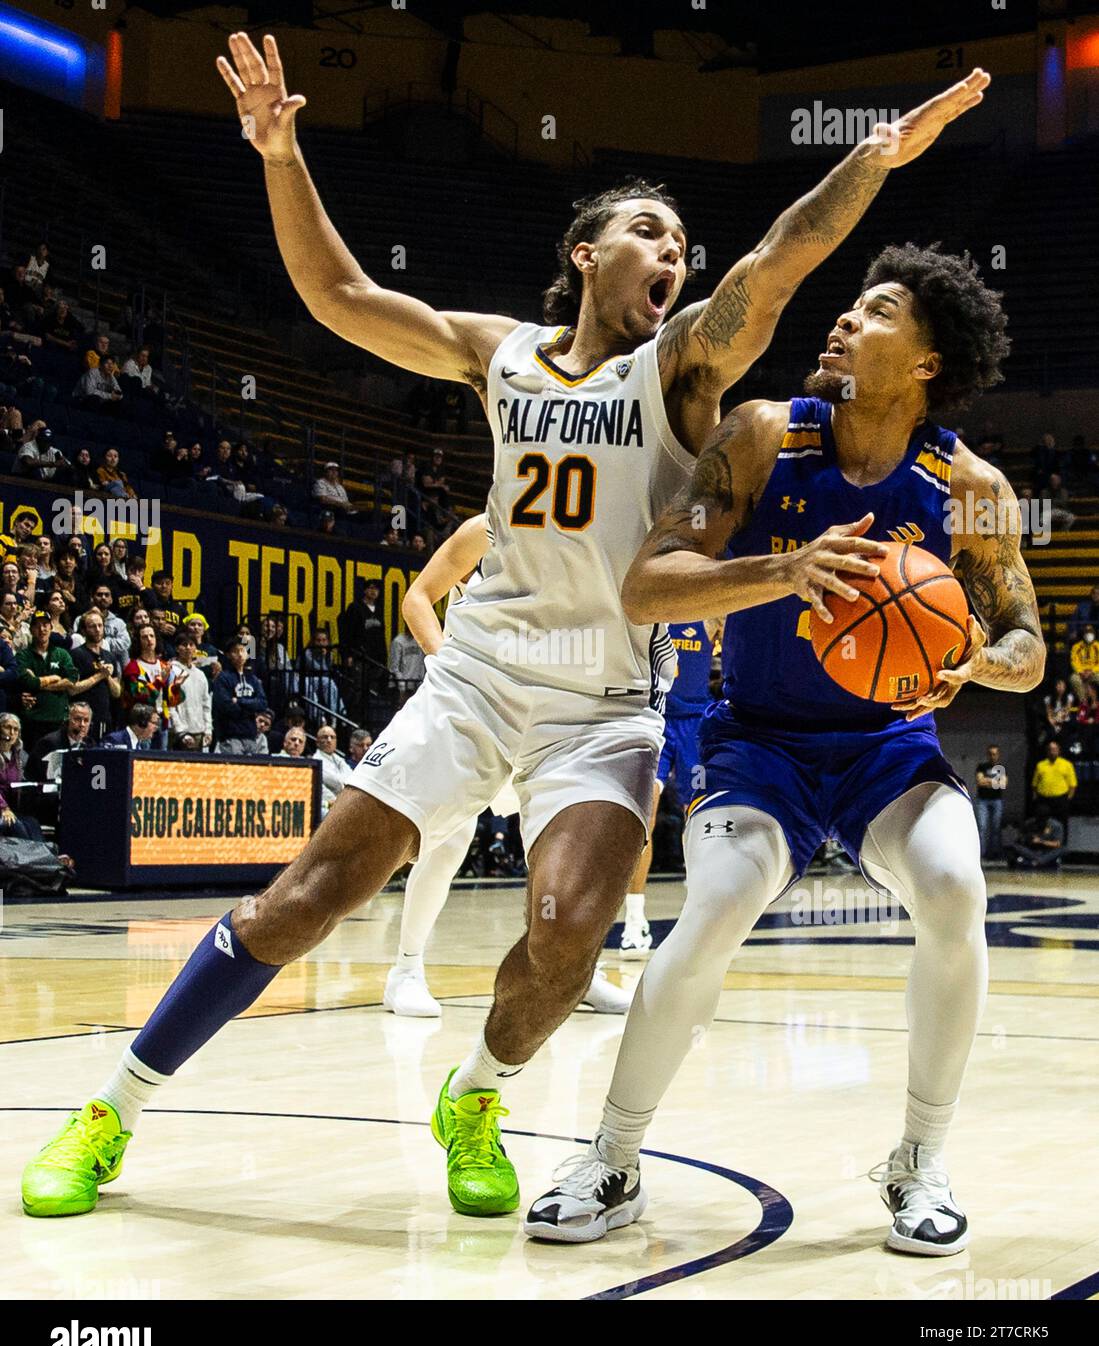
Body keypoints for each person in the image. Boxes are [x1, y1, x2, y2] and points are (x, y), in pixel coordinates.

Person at [20, 34, 990, 1222]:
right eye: (648, 233)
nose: (674, 256)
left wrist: (877, 157)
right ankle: (112, 1108)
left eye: (682, 246)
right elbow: (340, 297)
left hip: (602, 705)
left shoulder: (683, 373)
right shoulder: (500, 353)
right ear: (585, 254)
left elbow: (779, 262)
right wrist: (279, 151)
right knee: (304, 901)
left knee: (572, 929)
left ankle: (475, 1093)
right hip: (477, 676)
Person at [524, 239, 1044, 1255]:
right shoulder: (762, 436)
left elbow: (1026, 646)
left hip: (887, 749)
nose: (845, 318)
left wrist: (974, 662)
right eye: (850, 304)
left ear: (927, 362)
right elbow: (646, 585)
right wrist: (783, 567)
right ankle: (614, 1157)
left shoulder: (969, 487)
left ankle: (918, 1161)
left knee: (952, 887)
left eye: (879, 310)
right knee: (714, 908)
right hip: (757, 741)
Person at [386, 513, 629, 1019]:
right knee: (447, 843)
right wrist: (444, 659)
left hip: (546, 710)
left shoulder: (581, 536)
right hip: (474, 705)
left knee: (569, 847)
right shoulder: (488, 527)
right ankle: (406, 970)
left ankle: (574, 973)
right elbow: (416, 598)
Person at [619, 616, 721, 957]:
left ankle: (702, 915)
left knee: (699, 821)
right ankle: (634, 923)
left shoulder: (710, 612)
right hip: (655, 721)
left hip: (696, 727)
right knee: (641, 822)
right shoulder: (654, 608)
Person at [16, 610, 83, 752]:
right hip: (33, 722)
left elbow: (72, 679)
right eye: (37, 625)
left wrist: (38, 683)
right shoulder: (24, 655)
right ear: (31, 629)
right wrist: (53, 678)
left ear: (51, 627)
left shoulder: (61, 653)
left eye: (45, 625)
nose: (42, 629)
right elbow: (26, 682)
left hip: (58, 721)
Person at [121, 624, 183, 750]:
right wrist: (160, 681)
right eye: (144, 637)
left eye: (152, 636)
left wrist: (176, 687)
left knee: (161, 763)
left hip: (162, 720)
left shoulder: (164, 665)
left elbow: (174, 701)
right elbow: (140, 695)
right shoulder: (133, 667)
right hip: (142, 723)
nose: (149, 640)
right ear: (138, 641)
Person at [69, 609, 122, 743]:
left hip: (104, 717)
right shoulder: (76, 655)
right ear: (84, 630)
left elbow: (117, 692)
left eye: (100, 626)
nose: (97, 630)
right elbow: (72, 689)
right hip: (82, 720)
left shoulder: (109, 656)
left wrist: (108, 677)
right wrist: (99, 676)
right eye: (92, 626)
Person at [212, 637, 269, 754]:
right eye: (235, 651)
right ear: (228, 655)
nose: (240, 654)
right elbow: (225, 706)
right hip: (230, 735)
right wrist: (250, 706)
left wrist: (240, 701)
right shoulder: (223, 678)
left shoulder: (253, 679)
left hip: (251, 734)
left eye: (243, 650)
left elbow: (262, 704)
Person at [0, 712, 46, 839]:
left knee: (33, 824)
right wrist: (3, 808)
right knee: (17, 826)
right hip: (3, 808)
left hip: (15, 808)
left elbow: (27, 780)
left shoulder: (20, 755)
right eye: (7, 727)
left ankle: (42, 856)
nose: (12, 732)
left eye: (15, 729)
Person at [25, 701, 93, 783]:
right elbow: (37, 776)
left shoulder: (91, 745)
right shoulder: (50, 743)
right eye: (77, 719)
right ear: (68, 719)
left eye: (86, 720)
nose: (82, 724)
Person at [169, 632, 212, 750]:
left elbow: (206, 704)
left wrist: (208, 729)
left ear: (195, 648)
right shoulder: (172, 670)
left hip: (199, 732)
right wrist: (180, 731)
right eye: (184, 644)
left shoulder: (200, 674)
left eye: (191, 644)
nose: (188, 648)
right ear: (177, 648)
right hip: (179, 734)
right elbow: (170, 704)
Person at [1031, 741, 1076, 844]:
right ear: (1047, 751)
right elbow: (1034, 784)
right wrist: (1035, 797)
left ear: (1059, 751)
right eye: (1050, 749)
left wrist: (1068, 799)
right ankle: (1043, 846)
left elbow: (1073, 785)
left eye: (1055, 749)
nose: (1052, 752)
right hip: (1043, 800)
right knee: (1043, 824)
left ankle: (1061, 848)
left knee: (1062, 824)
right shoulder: (1040, 765)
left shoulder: (1067, 764)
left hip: (1060, 800)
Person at [973, 745, 1007, 862]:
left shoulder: (1001, 767)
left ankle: (994, 854)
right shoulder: (982, 766)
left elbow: (1003, 784)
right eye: (991, 754)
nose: (993, 756)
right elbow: (980, 782)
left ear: (998, 755)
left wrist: (987, 780)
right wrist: (994, 781)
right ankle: (981, 854)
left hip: (996, 800)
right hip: (983, 801)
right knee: (982, 827)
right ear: (988, 755)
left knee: (996, 828)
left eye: (995, 754)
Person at [313, 724, 351, 815]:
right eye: (325, 737)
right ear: (317, 742)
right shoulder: (316, 760)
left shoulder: (340, 760)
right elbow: (335, 784)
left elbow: (352, 778)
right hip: (328, 806)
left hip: (347, 802)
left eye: (332, 737)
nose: (329, 740)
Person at [387, 621, 425, 705]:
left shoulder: (419, 641)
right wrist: (402, 686)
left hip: (416, 684)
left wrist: (421, 682)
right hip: (402, 686)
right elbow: (394, 667)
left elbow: (421, 664)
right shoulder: (398, 641)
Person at [1069, 626, 1099, 702]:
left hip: (1094, 672)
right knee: (1074, 679)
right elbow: (1073, 661)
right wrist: (1080, 671)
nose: (1089, 635)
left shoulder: (1097, 646)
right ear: (1083, 634)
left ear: (1094, 634)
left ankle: (1096, 701)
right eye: (1087, 633)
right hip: (1081, 672)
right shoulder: (1077, 646)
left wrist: (1092, 671)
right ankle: (1083, 701)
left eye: (1090, 633)